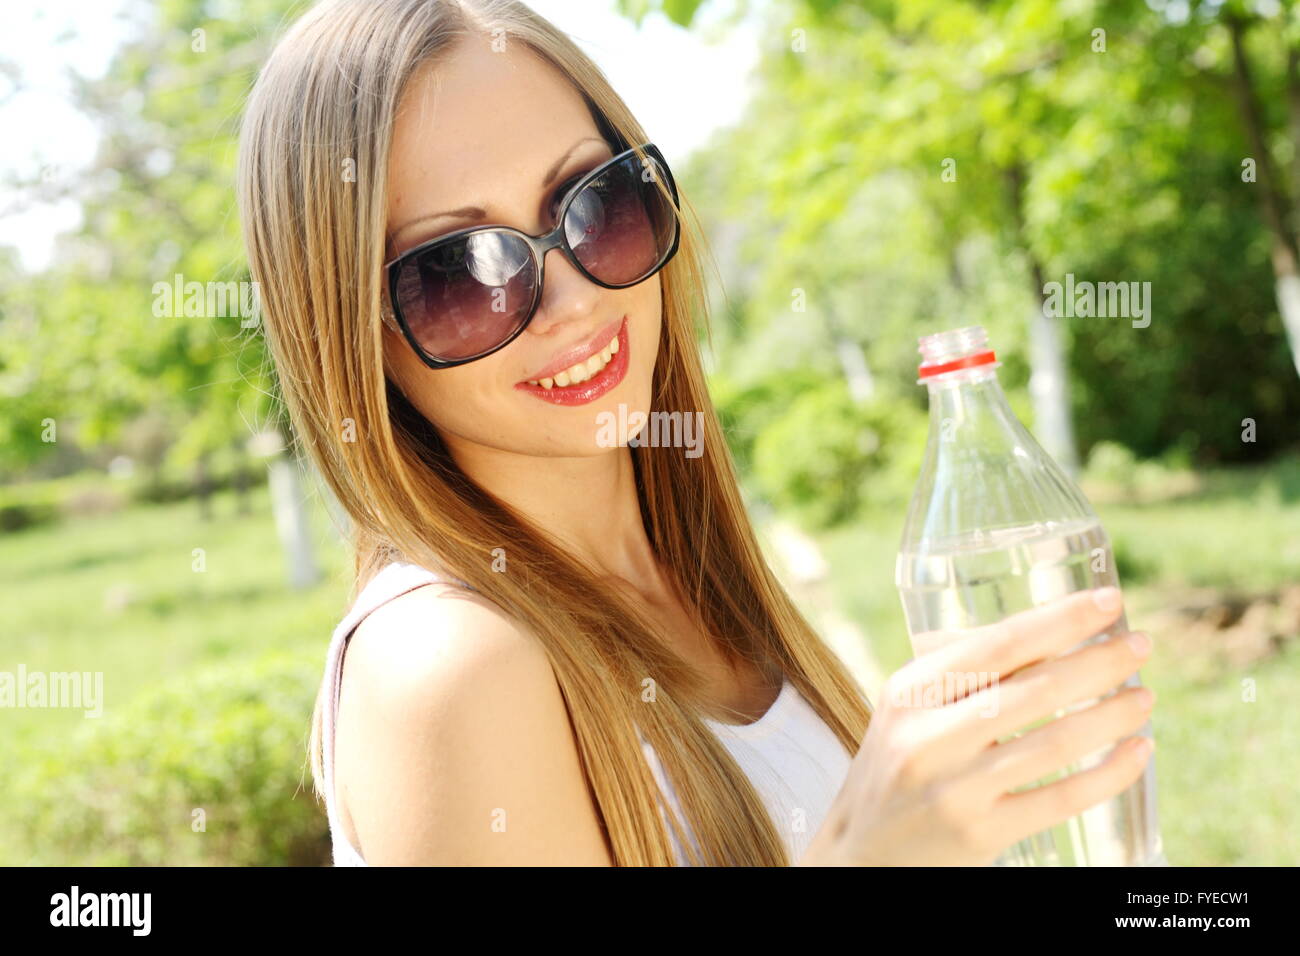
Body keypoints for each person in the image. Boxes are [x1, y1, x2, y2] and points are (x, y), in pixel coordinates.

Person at [236, 0, 1156, 866]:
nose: (577, 298)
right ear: (355, 338)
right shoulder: (447, 667)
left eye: (593, 204)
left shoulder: (697, 577)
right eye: (458, 273)